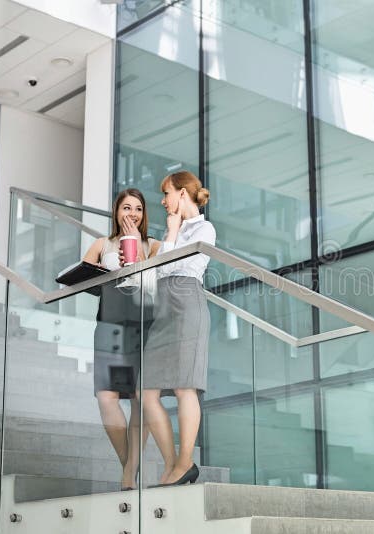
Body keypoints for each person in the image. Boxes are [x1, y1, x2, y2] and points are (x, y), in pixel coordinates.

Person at [140, 170, 215, 487]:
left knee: (186, 387)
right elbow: (159, 273)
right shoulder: (174, 230)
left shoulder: (205, 228)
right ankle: (173, 462)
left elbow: (171, 267)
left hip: (187, 307)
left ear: (182, 194)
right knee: (146, 391)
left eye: (167, 192)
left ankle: (184, 463)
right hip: (165, 310)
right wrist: (170, 234)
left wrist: (170, 235)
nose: (163, 200)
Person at [83, 188, 160, 490]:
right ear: (116, 212)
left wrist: (139, 256)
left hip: (144, 322)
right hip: (110, 323)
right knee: (107, 398)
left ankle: (130, 473)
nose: (132, 214)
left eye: (138, 209)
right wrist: (103, 272)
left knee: (142, 399)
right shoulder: (102, 244)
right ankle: (129, 464)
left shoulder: (153, 245)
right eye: (126, 208)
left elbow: (158, 283)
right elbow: (81, 277)